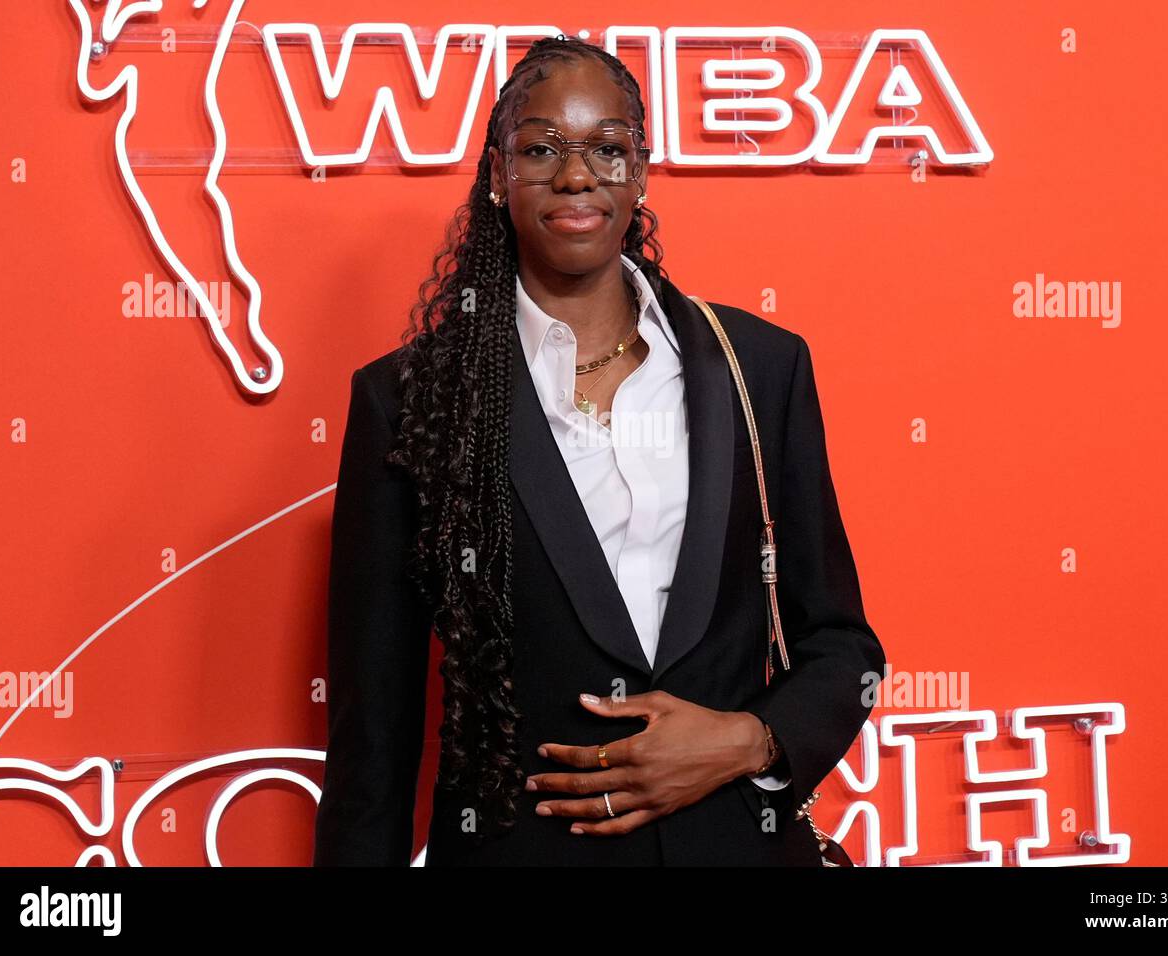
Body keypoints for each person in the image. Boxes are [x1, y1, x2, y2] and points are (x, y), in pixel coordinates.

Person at [313, 34, 884, 866]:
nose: (576, 176)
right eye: (541, 149)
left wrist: (749, 742)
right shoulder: (408, 400)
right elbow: (375, 736)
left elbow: (842, 645)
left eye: (607, 150)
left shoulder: (761, 367)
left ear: (641, 171)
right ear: (499, 175)